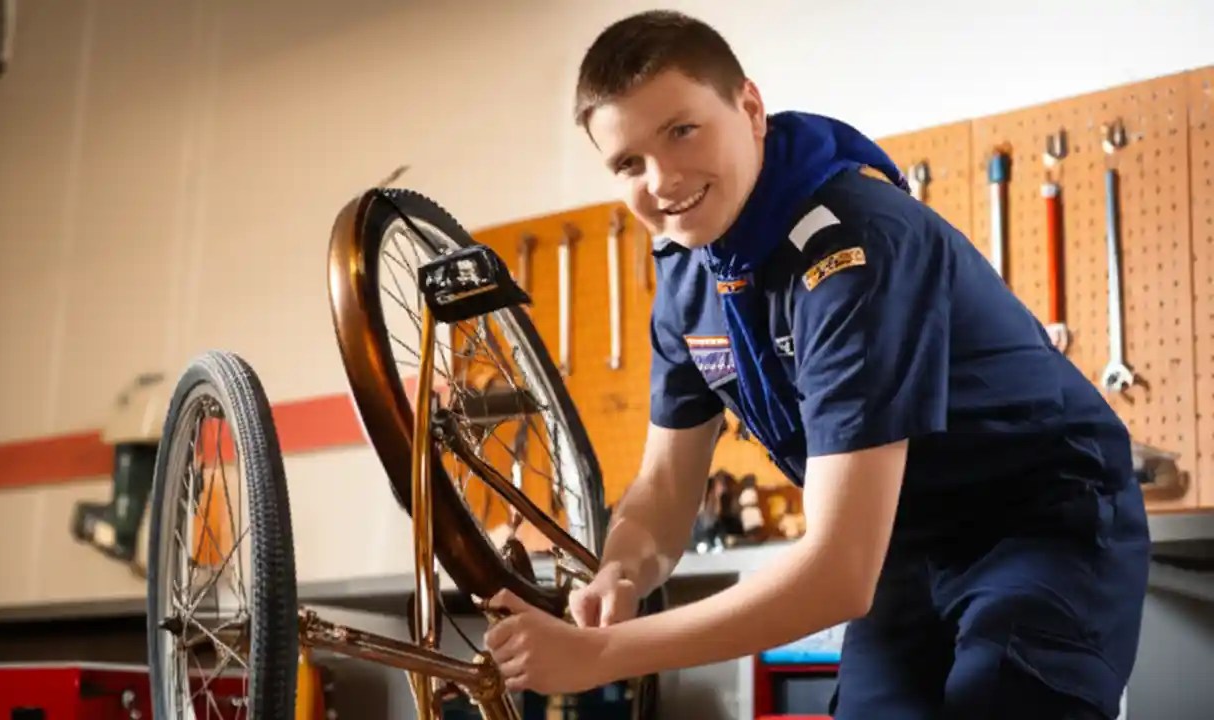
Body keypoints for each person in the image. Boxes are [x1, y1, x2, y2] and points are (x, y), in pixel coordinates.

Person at [483, 10, 1150, 719]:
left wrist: (606, 655)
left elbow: (837, 573)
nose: (663, 179)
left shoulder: (854, 248)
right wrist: (621, 568)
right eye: (627, 163)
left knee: (997, 700)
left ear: (749, 106)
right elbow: (664, 486)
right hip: (903, 544)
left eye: (681, 130)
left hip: (1040, 521)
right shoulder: (686, 278)